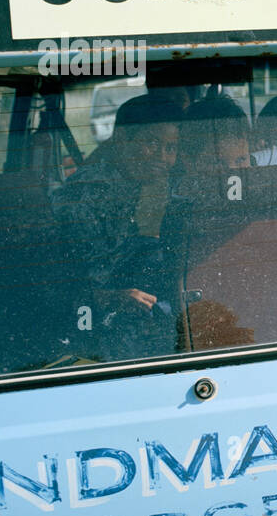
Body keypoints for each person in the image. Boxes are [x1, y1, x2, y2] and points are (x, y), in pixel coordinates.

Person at [49, 93, 181, 359]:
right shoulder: (90, 193)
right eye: (151, 143)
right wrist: (113, 298)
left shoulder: (140, 185)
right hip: (81, 324)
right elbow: (67, 285)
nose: (162, 157)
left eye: (170, 148)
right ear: (121, 139)